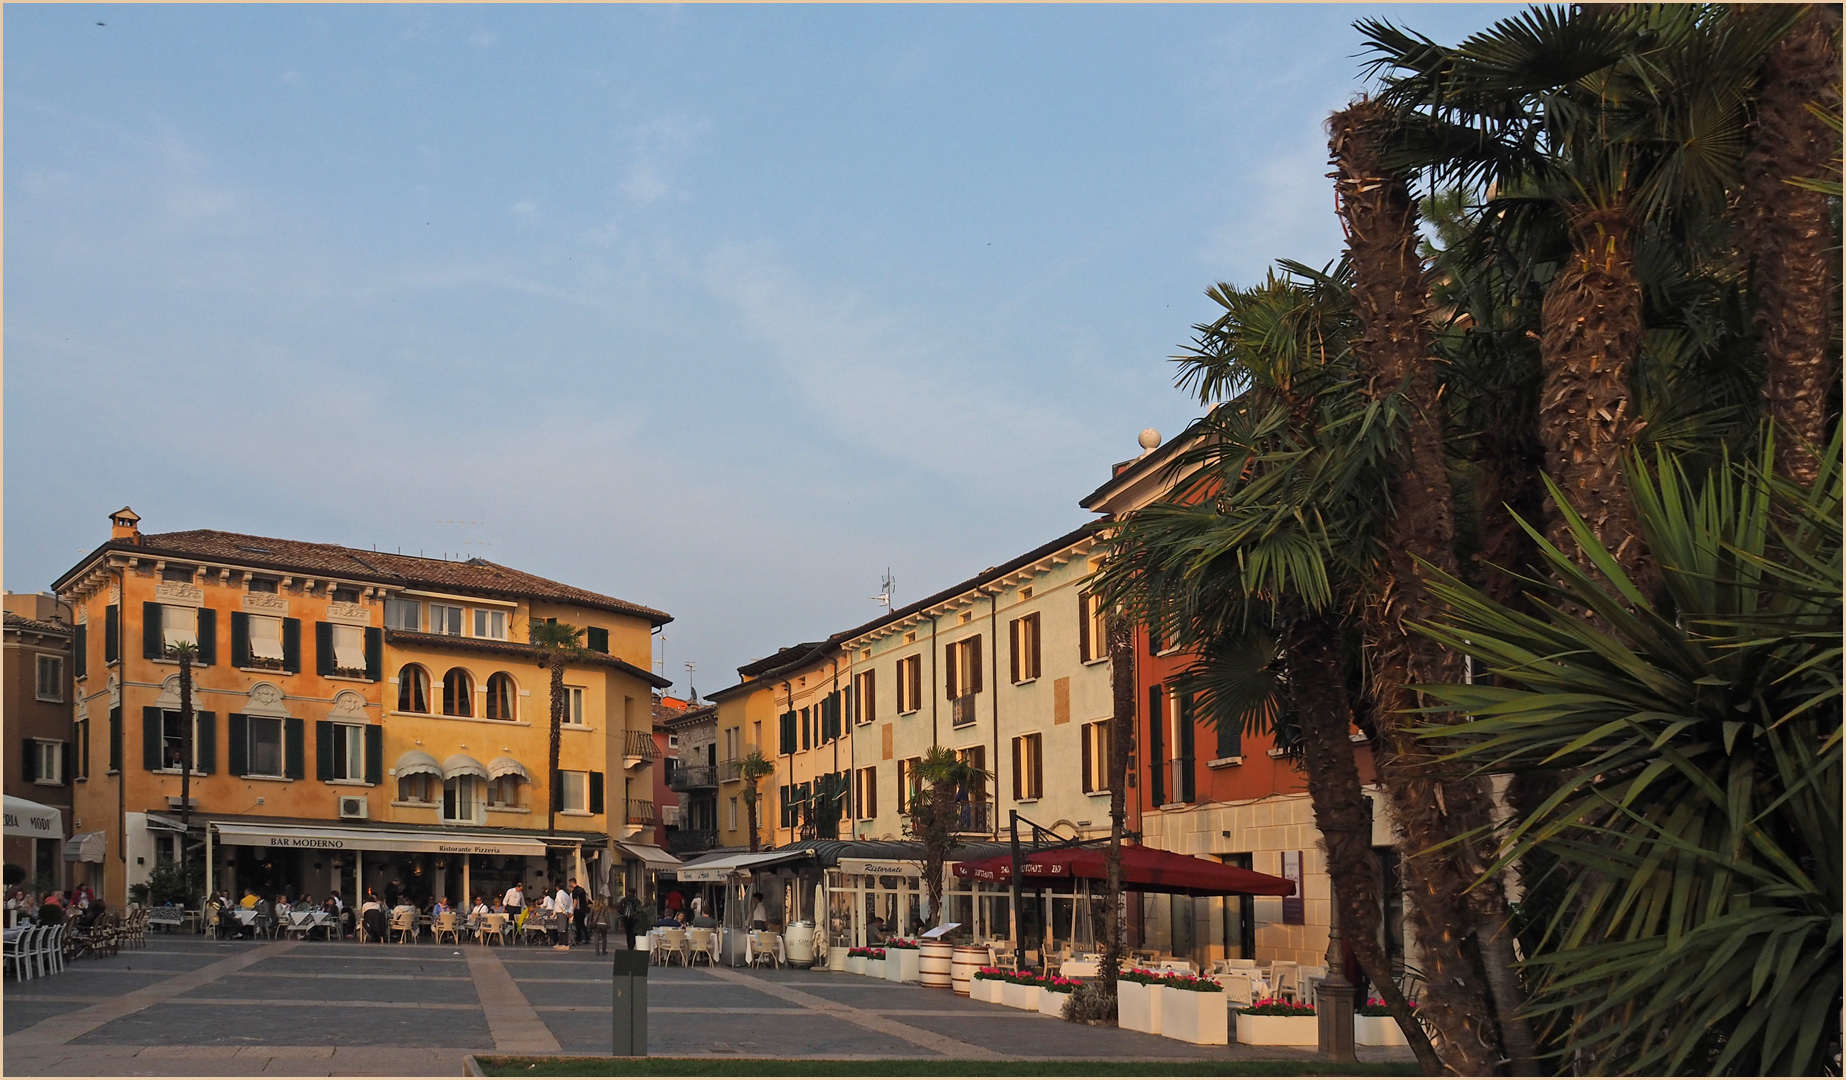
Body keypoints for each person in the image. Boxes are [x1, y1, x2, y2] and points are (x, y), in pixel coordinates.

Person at [551, 880, 573, 949]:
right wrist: (569, 912)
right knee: (564, 928)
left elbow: (559, 903)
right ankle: (561, 942)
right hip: (565, 912)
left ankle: (564, 943)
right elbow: (569, 904)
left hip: (561, 912)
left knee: (561, 929)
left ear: (557, 888)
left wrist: (564, 911)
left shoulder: (559, 894)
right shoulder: (566, 894)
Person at [570, 878, 590, 944]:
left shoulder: (575, 891)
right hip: (583, 909)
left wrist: (573, 910)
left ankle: (579, 939)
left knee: (578, 925)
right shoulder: (582, 890)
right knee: (582, 924)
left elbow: (575, 901)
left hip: (578, 910)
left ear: (572, 883)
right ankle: (587, 937)